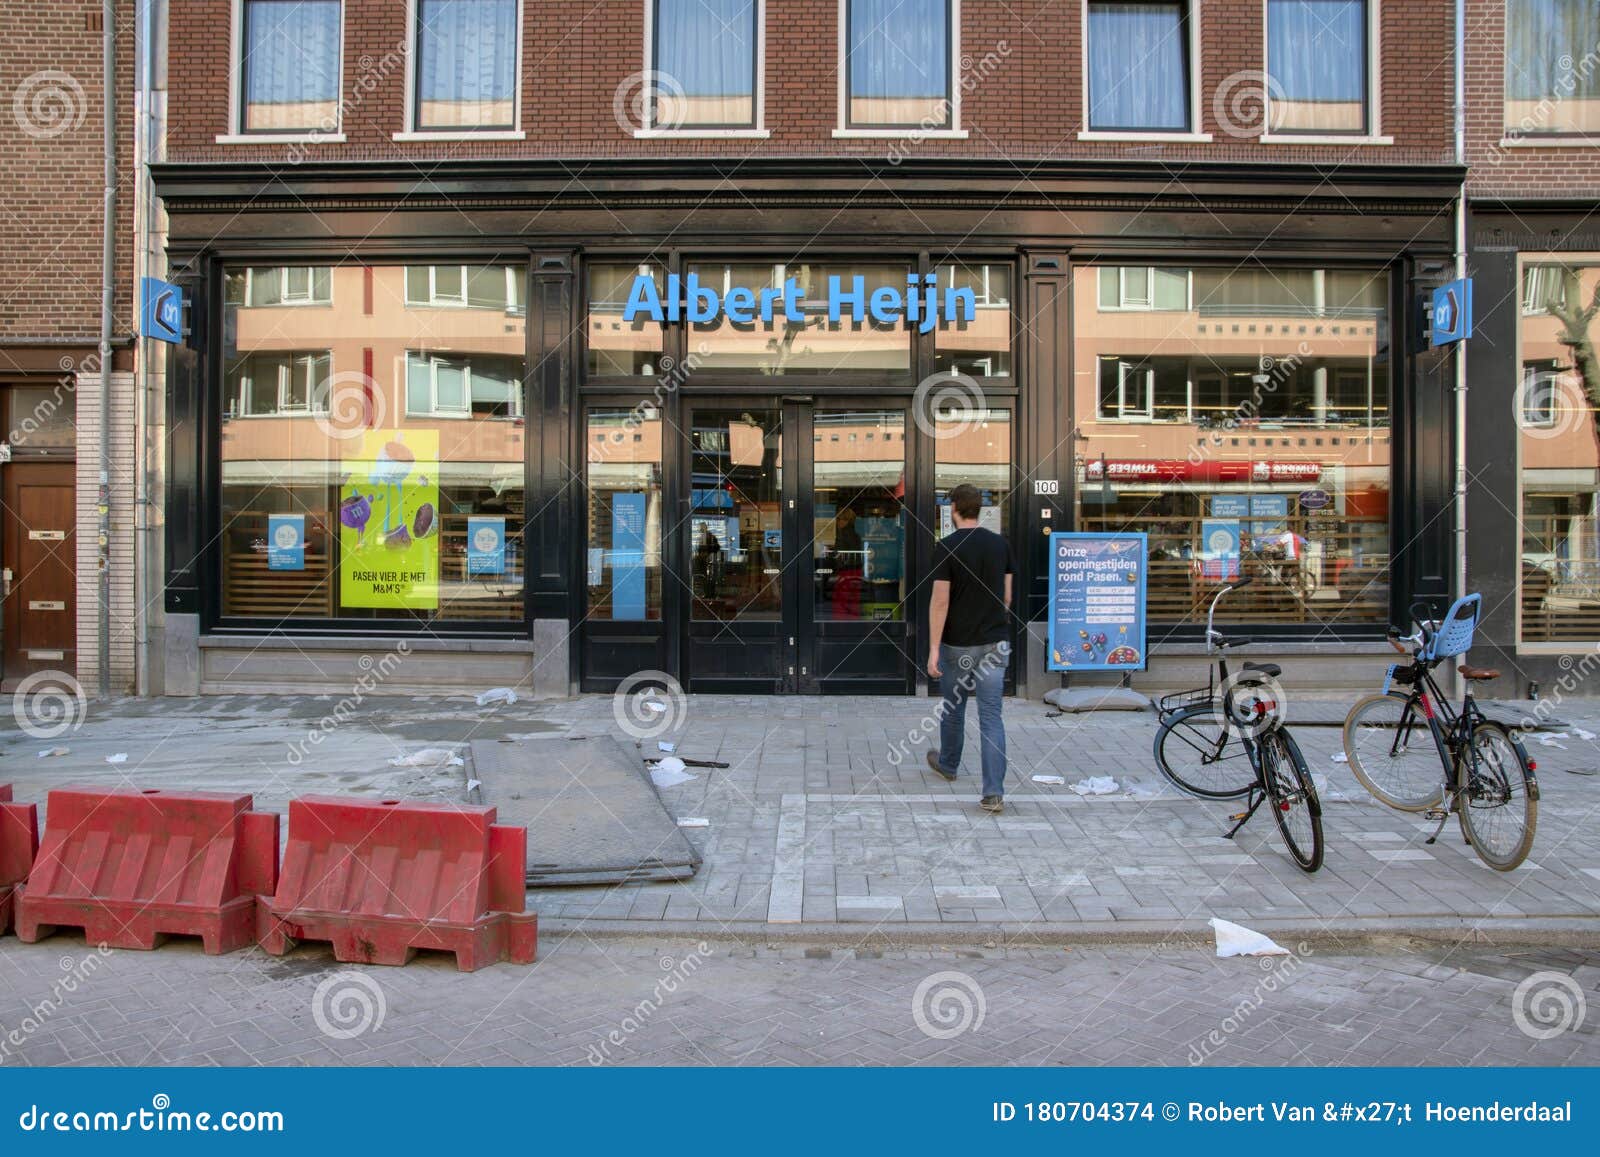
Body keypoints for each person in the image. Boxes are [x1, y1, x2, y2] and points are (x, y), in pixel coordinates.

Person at [925, 483, 1014, 813]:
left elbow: (940, 602)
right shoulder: (1000, 545)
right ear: (981, 509)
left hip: (957, 645)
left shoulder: (946, 547)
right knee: (991, 718)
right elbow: (1007, 596)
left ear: (954, 509)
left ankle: (948, 764)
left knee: (953, 707)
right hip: (995, 642)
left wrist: (934, 648)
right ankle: (993, 793)